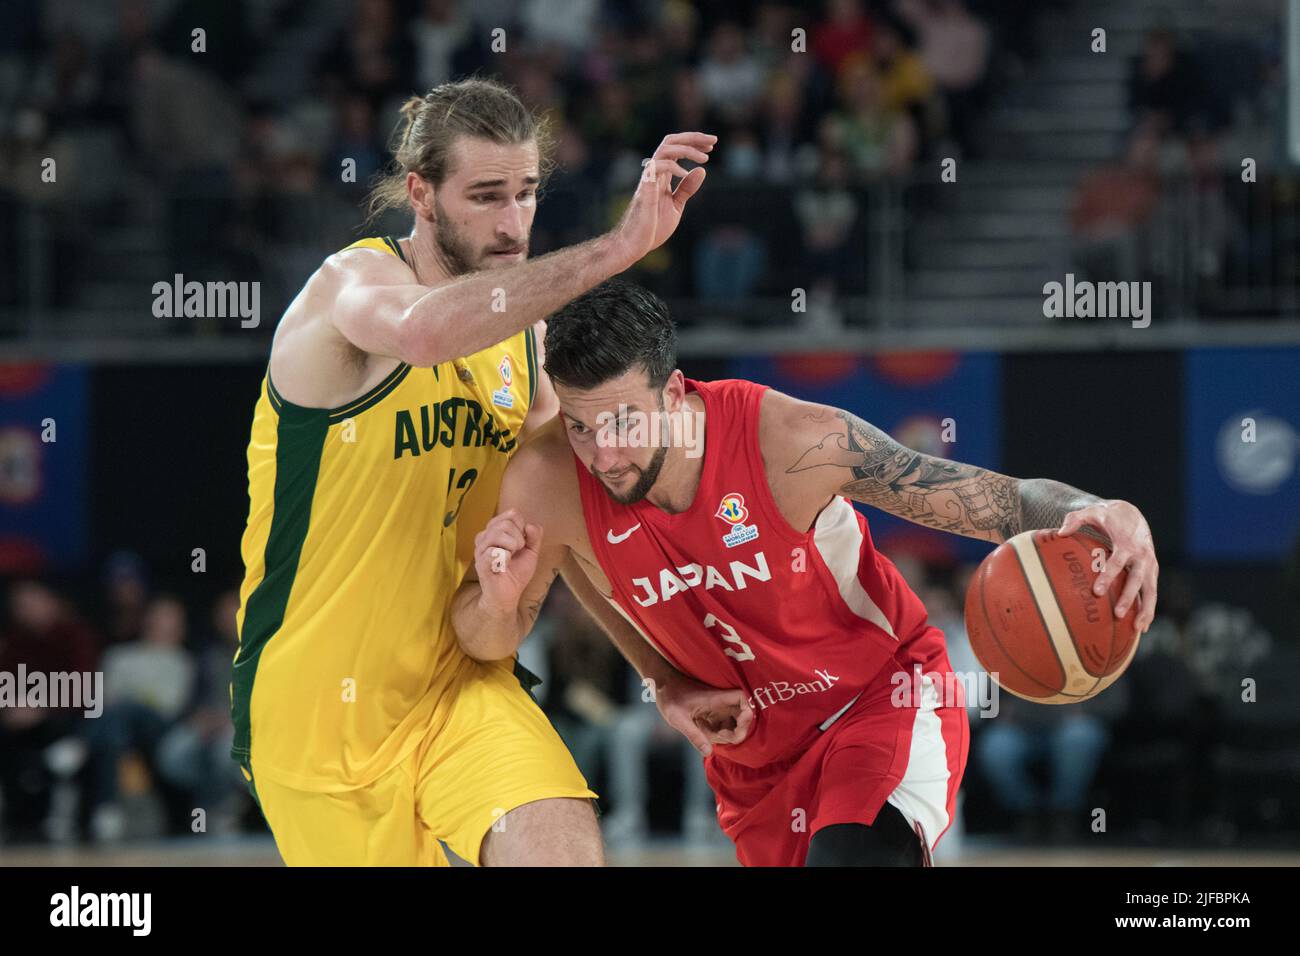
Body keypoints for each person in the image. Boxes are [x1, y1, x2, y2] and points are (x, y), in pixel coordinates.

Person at [451, 279, 1160, 866]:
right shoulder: (546, 479)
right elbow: (519, 616)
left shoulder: (787, 441)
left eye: (623, 424)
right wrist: (643, 669)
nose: (603, 455)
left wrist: (1102, 509)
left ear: (672, 394)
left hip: (879, 700)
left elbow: (999, 502)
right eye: (581, 427)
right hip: (752, 757)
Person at [232, 76, 724, 866]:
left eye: (526, 193)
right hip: (320, 706)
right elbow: (426, 332)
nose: (513, 222)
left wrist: (661, 674)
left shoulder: (524, 345)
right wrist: (617, 248)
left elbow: (553, 520)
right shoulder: (347, 290)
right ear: (421, 193)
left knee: (559, 840)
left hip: (461, 679)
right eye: (487, 195)